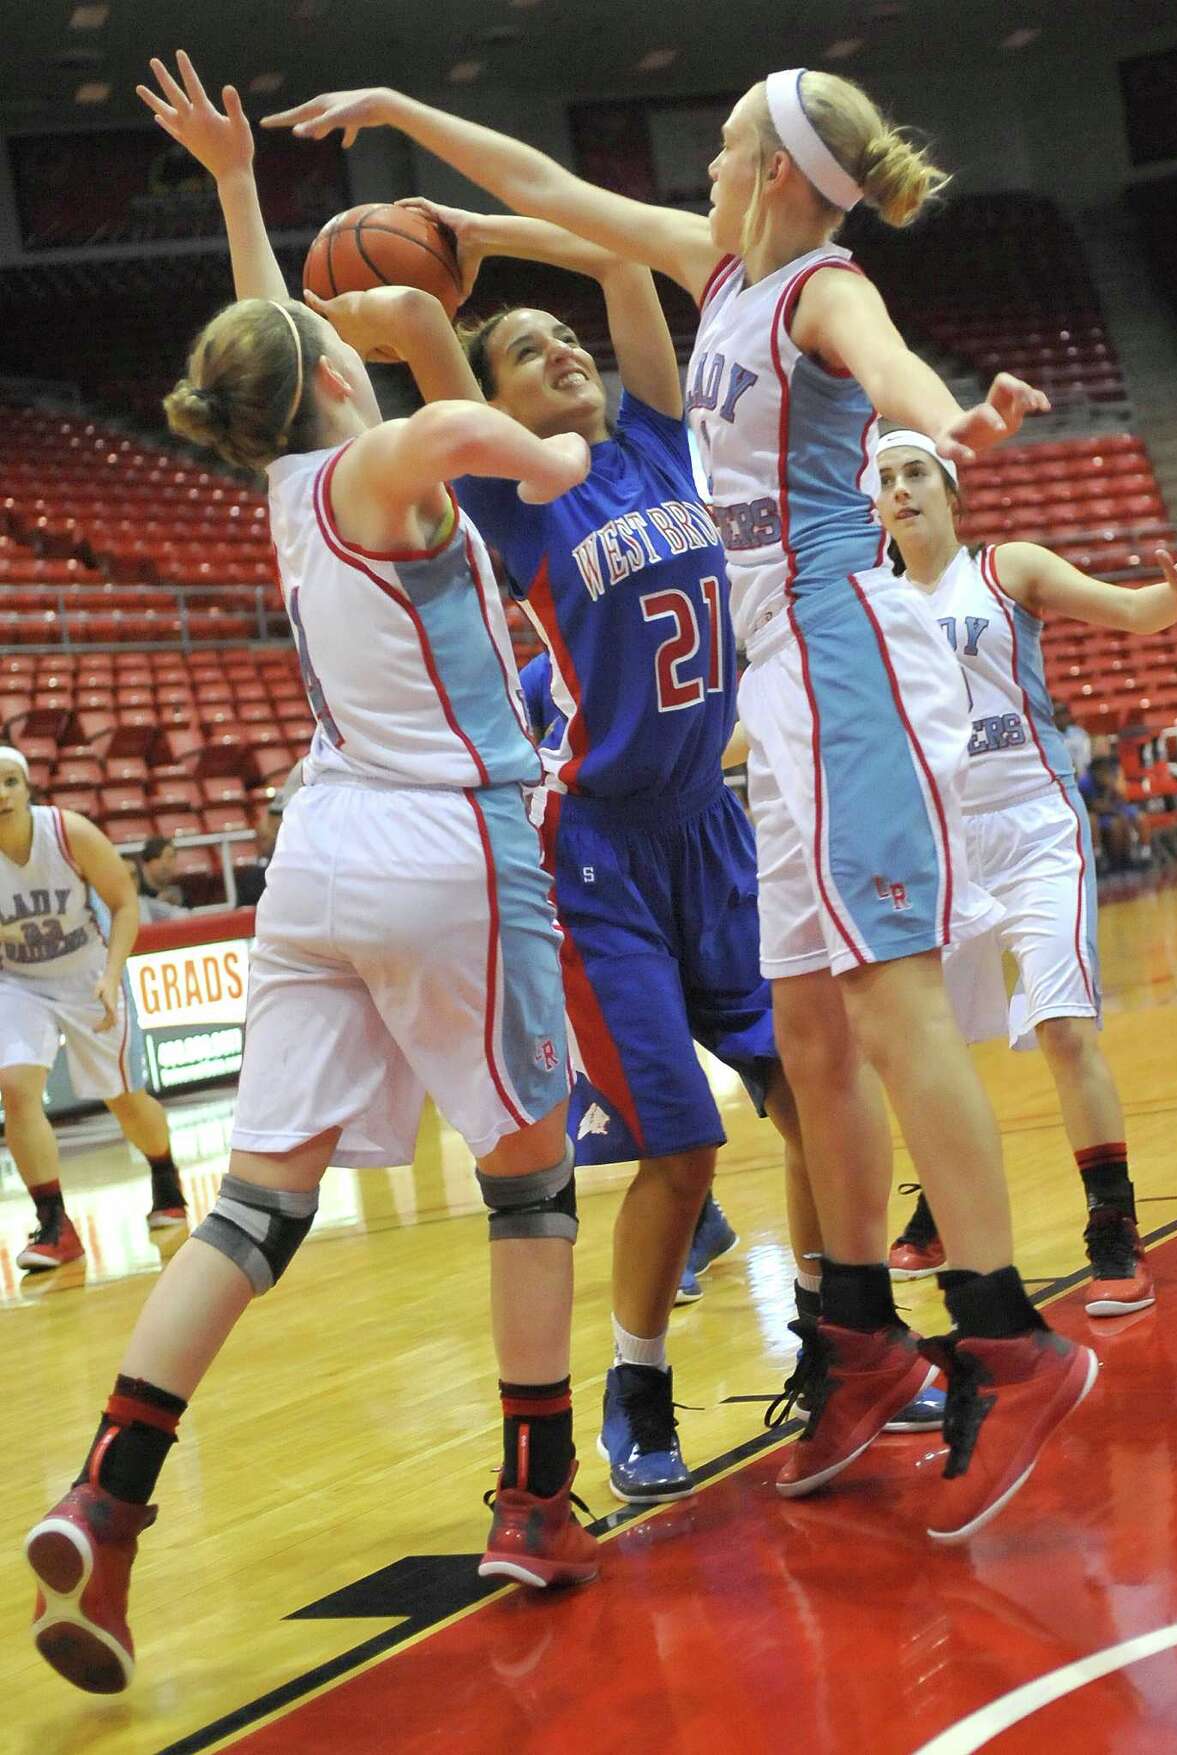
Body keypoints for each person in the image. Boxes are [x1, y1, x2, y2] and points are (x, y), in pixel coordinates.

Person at [267, 64, 1095, 1544]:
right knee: (813, 1025)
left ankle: (1007, 1332)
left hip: (838, 655)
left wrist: (950, 418)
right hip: (766, 700)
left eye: (722, 149)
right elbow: (552, 196)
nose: (701, 167)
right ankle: (853, 1341)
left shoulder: (817, 289)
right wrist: (404, 116)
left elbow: (890, 360)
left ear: (773, 174)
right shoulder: (715, 275)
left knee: (889, 1005)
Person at [24, 54, 596, 1700]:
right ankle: (536, 1500)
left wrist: (230, 192)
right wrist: (472, 368)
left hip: (318, 863)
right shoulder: (389, 468)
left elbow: (277, 328)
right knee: (530, 1175)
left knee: (261, 1200)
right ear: (339, 378)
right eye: (343, 343)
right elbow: (524, 454)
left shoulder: (285, 480)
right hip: (445, 846)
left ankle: (107, 1500)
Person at [380, 194, 884, 1508]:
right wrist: (435, 270)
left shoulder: (662, 446)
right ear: (493, 406)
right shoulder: (513, 497)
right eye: (531, 352)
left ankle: (842, 1348)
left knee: (812, 1094)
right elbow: (430, 328)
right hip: (597, 856)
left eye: (569, 343)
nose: (565, 356)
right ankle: (639, 1378)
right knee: (683, 1149)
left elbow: (614, 259)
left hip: (714, 833)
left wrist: (501, 225)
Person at [875, 428, 1177, 1313]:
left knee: (1062, 1030)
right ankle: (942, 1202)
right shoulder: (869, 605)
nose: (902, 489)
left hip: (1034, 826)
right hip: (938, 842)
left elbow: (1132, 614)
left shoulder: (1004, 567)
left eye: (916, 474)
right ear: (875, 507)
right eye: (887, 479)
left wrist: (1176, 596)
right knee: (926, 1046)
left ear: (948, 491)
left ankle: (1113, 1227)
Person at [519, 645, 743, 1313]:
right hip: (586, 865)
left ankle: (694, 1224)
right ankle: (695, 1223)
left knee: (666, 1057)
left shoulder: (693, 634)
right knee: (625, 1059)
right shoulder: (540, 672)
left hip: (689, 843)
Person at [0, 745, 188, 1272]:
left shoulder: (68, 833)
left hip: (88, 976)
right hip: (17, 981)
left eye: (10, 781)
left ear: (28, 787)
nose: (1, 793)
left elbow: (125, 903)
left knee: (124, 1099)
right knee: (16, 1088)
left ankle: (165, 1177)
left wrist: (110, 975)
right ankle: (56, 1226)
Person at [137, 836, 187, 913]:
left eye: (173, 858)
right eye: (168, 858)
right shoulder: (135, 892)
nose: (170, 865)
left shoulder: (178, 891)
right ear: (148, 862)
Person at [1052, 700, 1091, 781]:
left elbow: (1087, 758)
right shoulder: (1050, 736)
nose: (1062, 716)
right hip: (1061, 778)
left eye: (1064, 712)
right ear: (1052, 716)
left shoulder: (1080, 733)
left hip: (1083, 777)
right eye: (1058, 713)